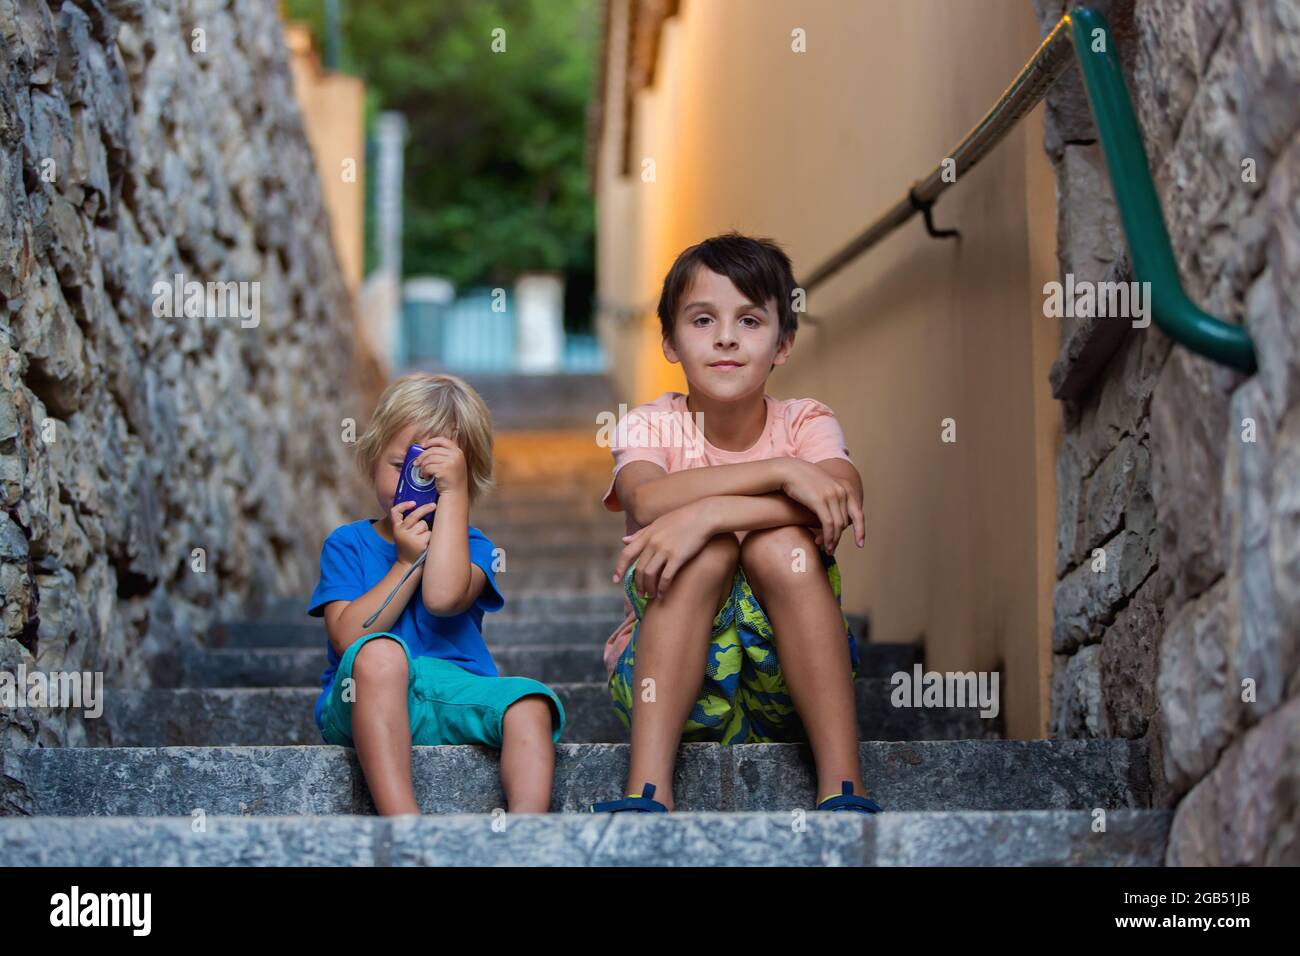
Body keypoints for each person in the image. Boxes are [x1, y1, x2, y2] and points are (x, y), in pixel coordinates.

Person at [590, 232, 882, 815]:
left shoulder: (806, 421)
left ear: (784, 344)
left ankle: (842, 785)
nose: (725, 336)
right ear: (670, 342)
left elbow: (842, 496)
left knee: (778, 549)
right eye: (702, 320)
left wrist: (710, 513)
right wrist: (778, 473)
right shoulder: (651, 426)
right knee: (709, 552)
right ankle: (647, 788)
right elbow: (645, 500)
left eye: (750, 321)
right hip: (673, 685)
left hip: (788, 683)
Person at [309, 372, 564, 815]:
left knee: (531, 702)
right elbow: (348, 637)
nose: (418, 484)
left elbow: (444, 597)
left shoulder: (476, 547)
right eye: (401, 468)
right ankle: (405, 827)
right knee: (380, 654)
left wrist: (453, 497)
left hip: (454, 694)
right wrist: (406, 564)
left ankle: (528, 838)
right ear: (371, 458)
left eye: (435, 476)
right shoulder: (347, 543)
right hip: (363, 699)